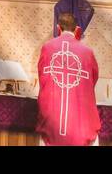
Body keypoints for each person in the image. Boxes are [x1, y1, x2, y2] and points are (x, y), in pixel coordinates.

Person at [36, 11, 101, 146]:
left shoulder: (47, 48)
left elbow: (42, 76)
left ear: (58, 28)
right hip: (79, 119)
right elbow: (92, 80)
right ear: (76, 29)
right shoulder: (87, 52)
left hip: (52, 116)